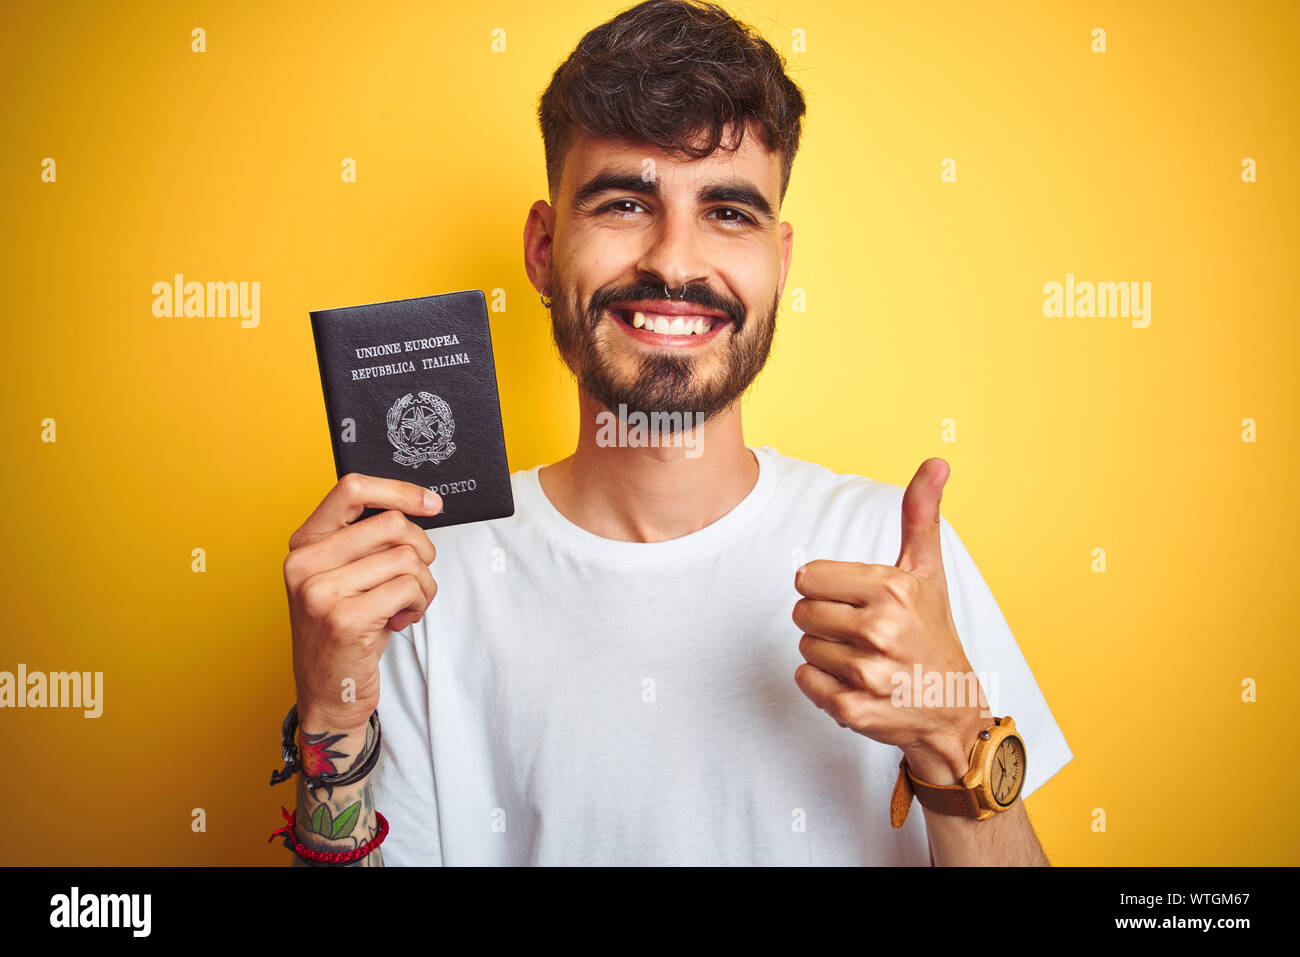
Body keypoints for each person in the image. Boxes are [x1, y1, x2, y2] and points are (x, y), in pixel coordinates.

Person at [276, 0, 1071, 866]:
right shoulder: (420, 578)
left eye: (729, 212)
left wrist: (955, 733)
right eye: (623, 202)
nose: (676, 261)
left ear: (780, 262)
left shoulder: (899, 560)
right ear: (543, 250)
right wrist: (331, 718)